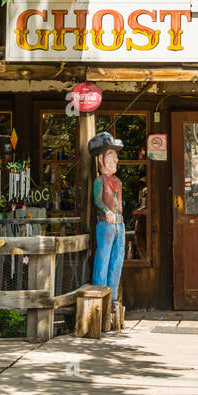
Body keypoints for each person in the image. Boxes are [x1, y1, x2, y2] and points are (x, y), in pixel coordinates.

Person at [88, 131, 125, 312]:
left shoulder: (117, 181)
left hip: (119, 223)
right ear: (101, 160)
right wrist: (106, 210)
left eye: (115, 156)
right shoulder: (99, 180)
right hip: (106, 223)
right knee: (103, 257)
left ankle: (113, 296)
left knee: (118, 258)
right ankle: (100, 294)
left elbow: (118, 202)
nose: (115, 160)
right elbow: (98, 200)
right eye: (111, 156)